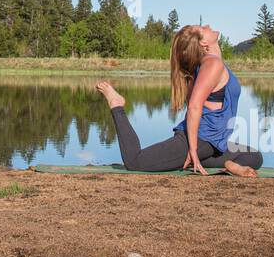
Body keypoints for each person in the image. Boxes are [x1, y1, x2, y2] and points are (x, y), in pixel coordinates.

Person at [95, 24, 263, 176]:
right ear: (204, 44)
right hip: (200, 139)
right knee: (135, 161)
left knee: (254, 156)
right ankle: (117, 105)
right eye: (203, 29)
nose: (207, 25)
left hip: (214, 143)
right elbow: (194, 106)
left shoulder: (207, 64)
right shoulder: (212, 64)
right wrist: (193, 149)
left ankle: (230, 164)